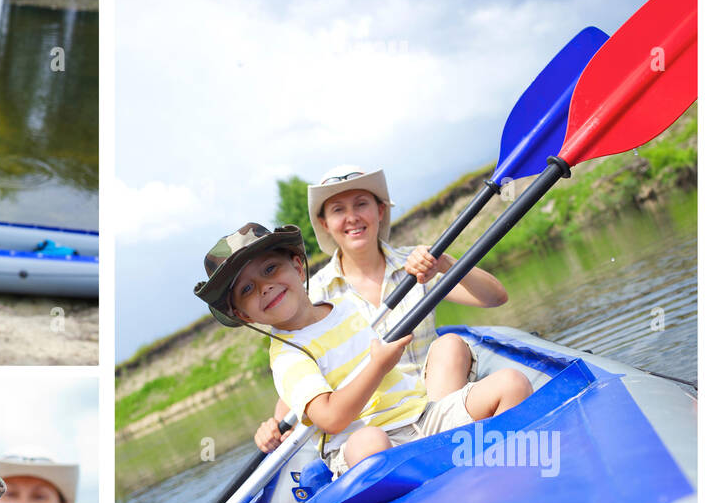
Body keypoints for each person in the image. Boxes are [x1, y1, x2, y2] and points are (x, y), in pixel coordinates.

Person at [194, 222, 530, 477]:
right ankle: (416, 502)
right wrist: (377, 367)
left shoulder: (343, 305)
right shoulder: (287, 356)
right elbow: (331, 418)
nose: (265, 286)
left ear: (297, 267)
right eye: (248, 289)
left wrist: (437, 266)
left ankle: (498, 473)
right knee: (369, 441)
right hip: (364, 445)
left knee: (511, 383)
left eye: (270, 269)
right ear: (242, 314)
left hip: (421, 418)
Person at [307, 165, 514, 397]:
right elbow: (304, 367)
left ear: (381, 210)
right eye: (338, 210)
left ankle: (438, 427)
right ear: (325, 224)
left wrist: (444, 262)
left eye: (361, 204)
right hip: (376, 416)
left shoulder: (419, 261)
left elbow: (496, 297)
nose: (352, 217)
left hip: (437, 395)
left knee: (451, 345)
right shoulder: (315, 292)